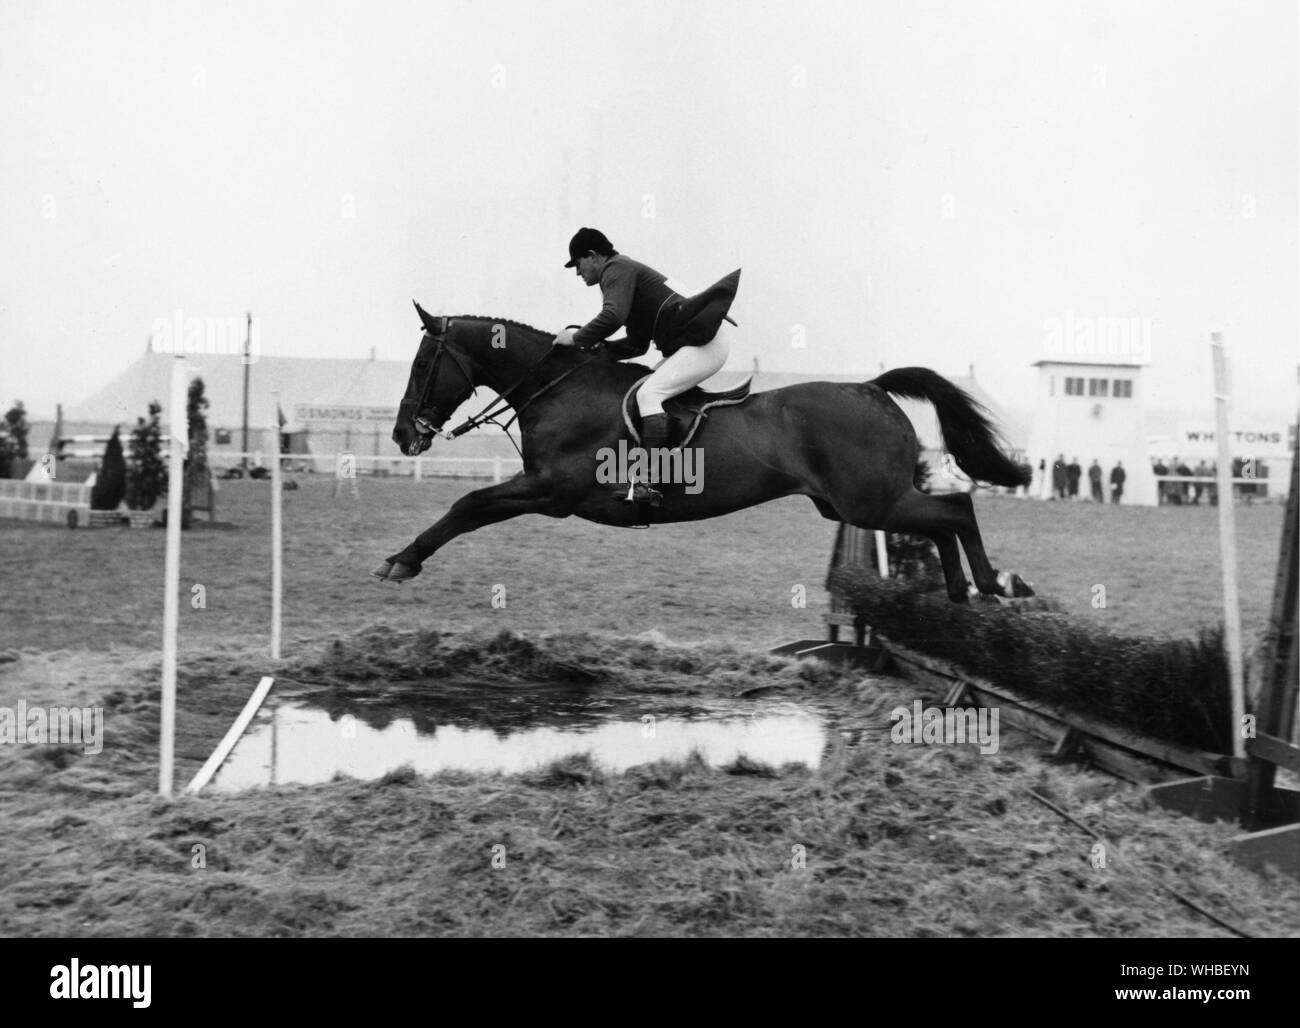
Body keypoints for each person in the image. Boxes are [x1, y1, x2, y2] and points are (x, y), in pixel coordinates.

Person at [555, 228, 739, 505]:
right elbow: (637, 345)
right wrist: (600, 352)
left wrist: (575, 339)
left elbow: (612, 316)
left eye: (577, 264)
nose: (578, 273)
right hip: (700, 342)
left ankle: (646, 483)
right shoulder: (625, 272)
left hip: (707, 342)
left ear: (593, 256)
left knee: (648, 395)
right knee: (648, 389)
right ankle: (672, 464)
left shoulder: (615, 269)